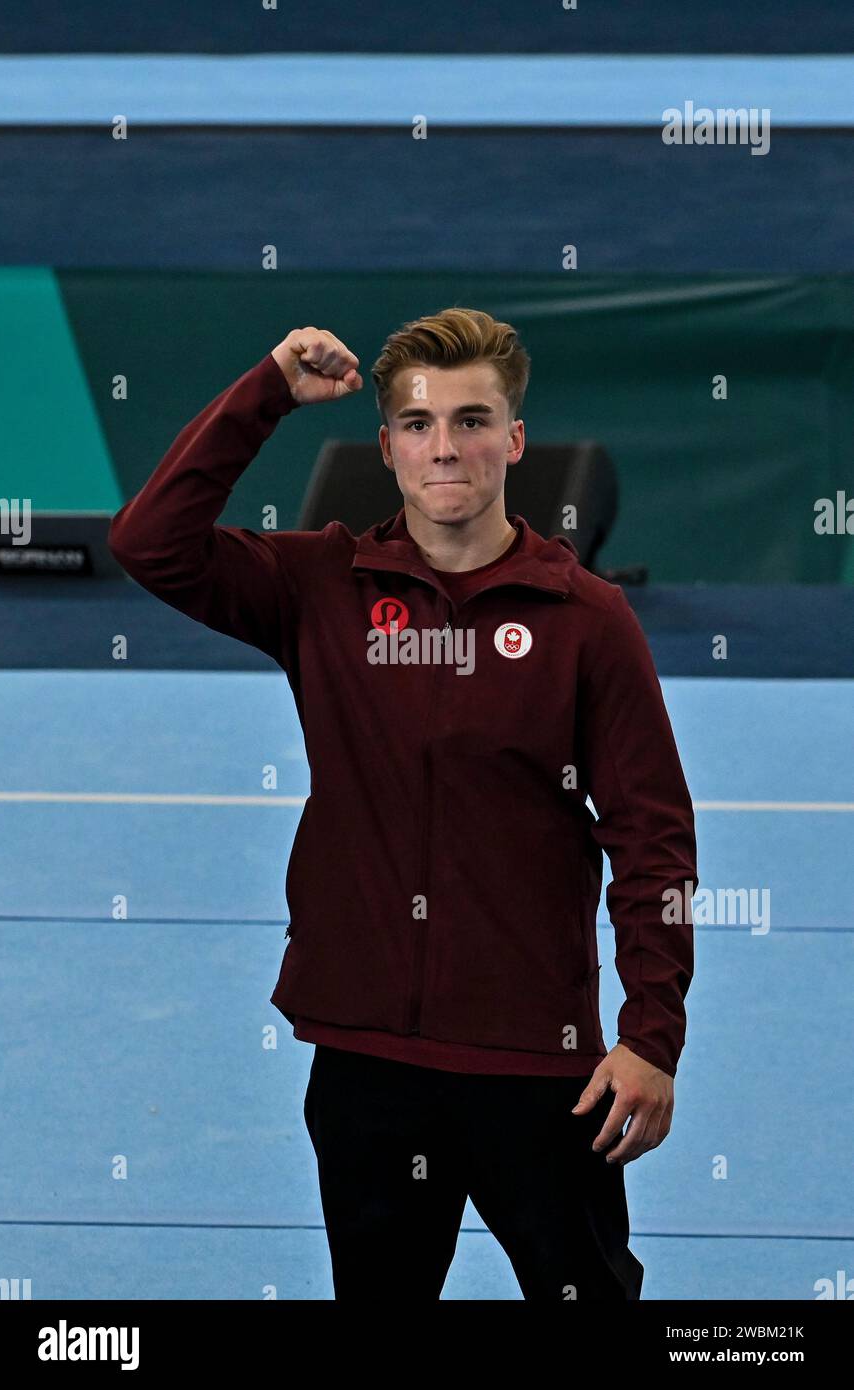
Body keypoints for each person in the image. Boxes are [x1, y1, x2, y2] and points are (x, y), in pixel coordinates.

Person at [108, 307, 698, 1301]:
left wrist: (649, 1033)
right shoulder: (319, 586)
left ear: (514, 440)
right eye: (419, 425)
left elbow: (651, 838)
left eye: (472, 421)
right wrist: (263, 395)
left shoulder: (587, 621)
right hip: (365, 1062)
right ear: (384, 447)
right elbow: (148, 541)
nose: (445, 448)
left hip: (540, 1065)